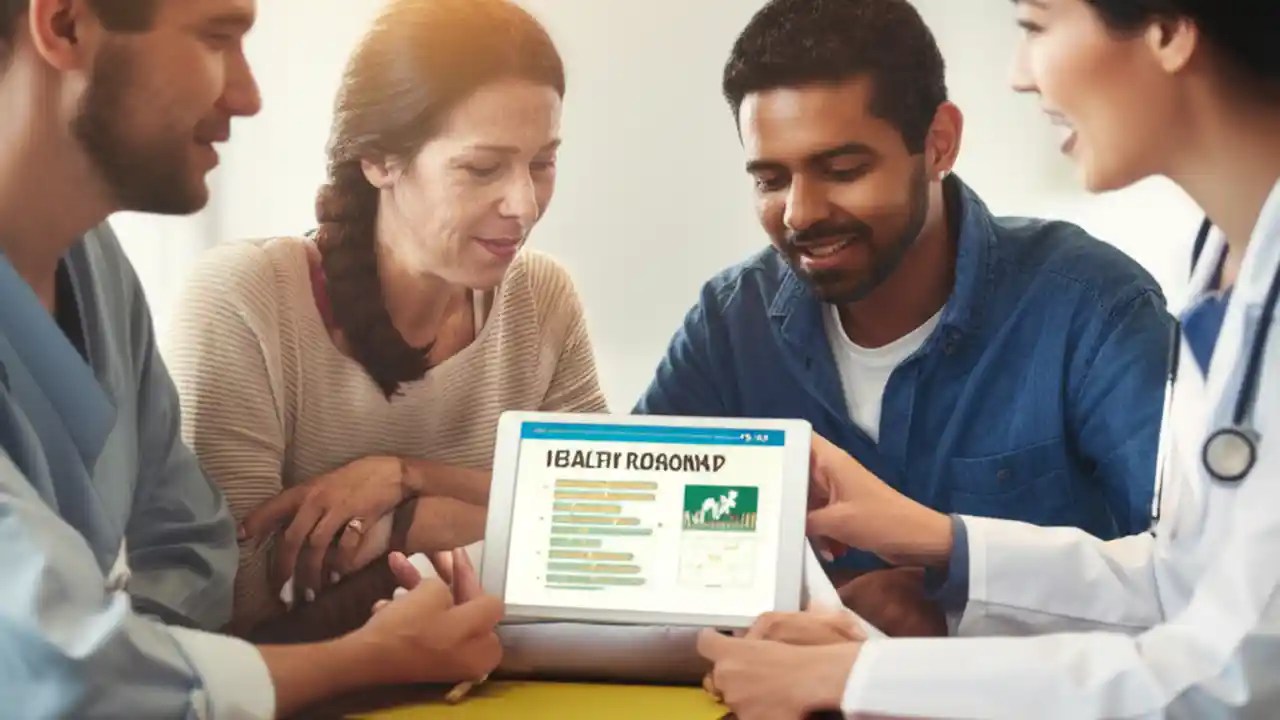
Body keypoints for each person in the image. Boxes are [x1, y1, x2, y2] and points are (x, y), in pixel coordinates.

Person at [697, 0, 1280, 717]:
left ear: (1166, 28)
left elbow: (1237, 678)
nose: (1019, 76)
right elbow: (1175, 584)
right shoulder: (1229, 261)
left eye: (1035, 26)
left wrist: (859, 679)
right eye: (771, 179)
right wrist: (938, 545)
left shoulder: (1094, 298)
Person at [0, 1, 503, 717]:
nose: (247, 94)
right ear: (67, 25)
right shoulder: (241, 294)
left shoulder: (96, 271)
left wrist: (152, 669)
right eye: (216, 38)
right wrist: (364, 659)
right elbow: (58, 668)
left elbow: (195, 550)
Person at [634, 0, 1172, 635]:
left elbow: (1194, 578)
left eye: (843, 171)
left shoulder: (1092, 307)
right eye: (770, 180)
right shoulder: (730, 327)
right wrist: (841, 606)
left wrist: (952, 569)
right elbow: (638, 560)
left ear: (938, 143)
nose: (800, 213)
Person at [165, 0, 606, 639]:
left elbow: (603, 524)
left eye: (542, 163)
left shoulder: (542, 298)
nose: (525, 204)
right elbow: (235, 594)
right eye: (483, 169)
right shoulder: (245, 300)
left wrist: (410, 490)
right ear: (379, 161)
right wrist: (435, 526)